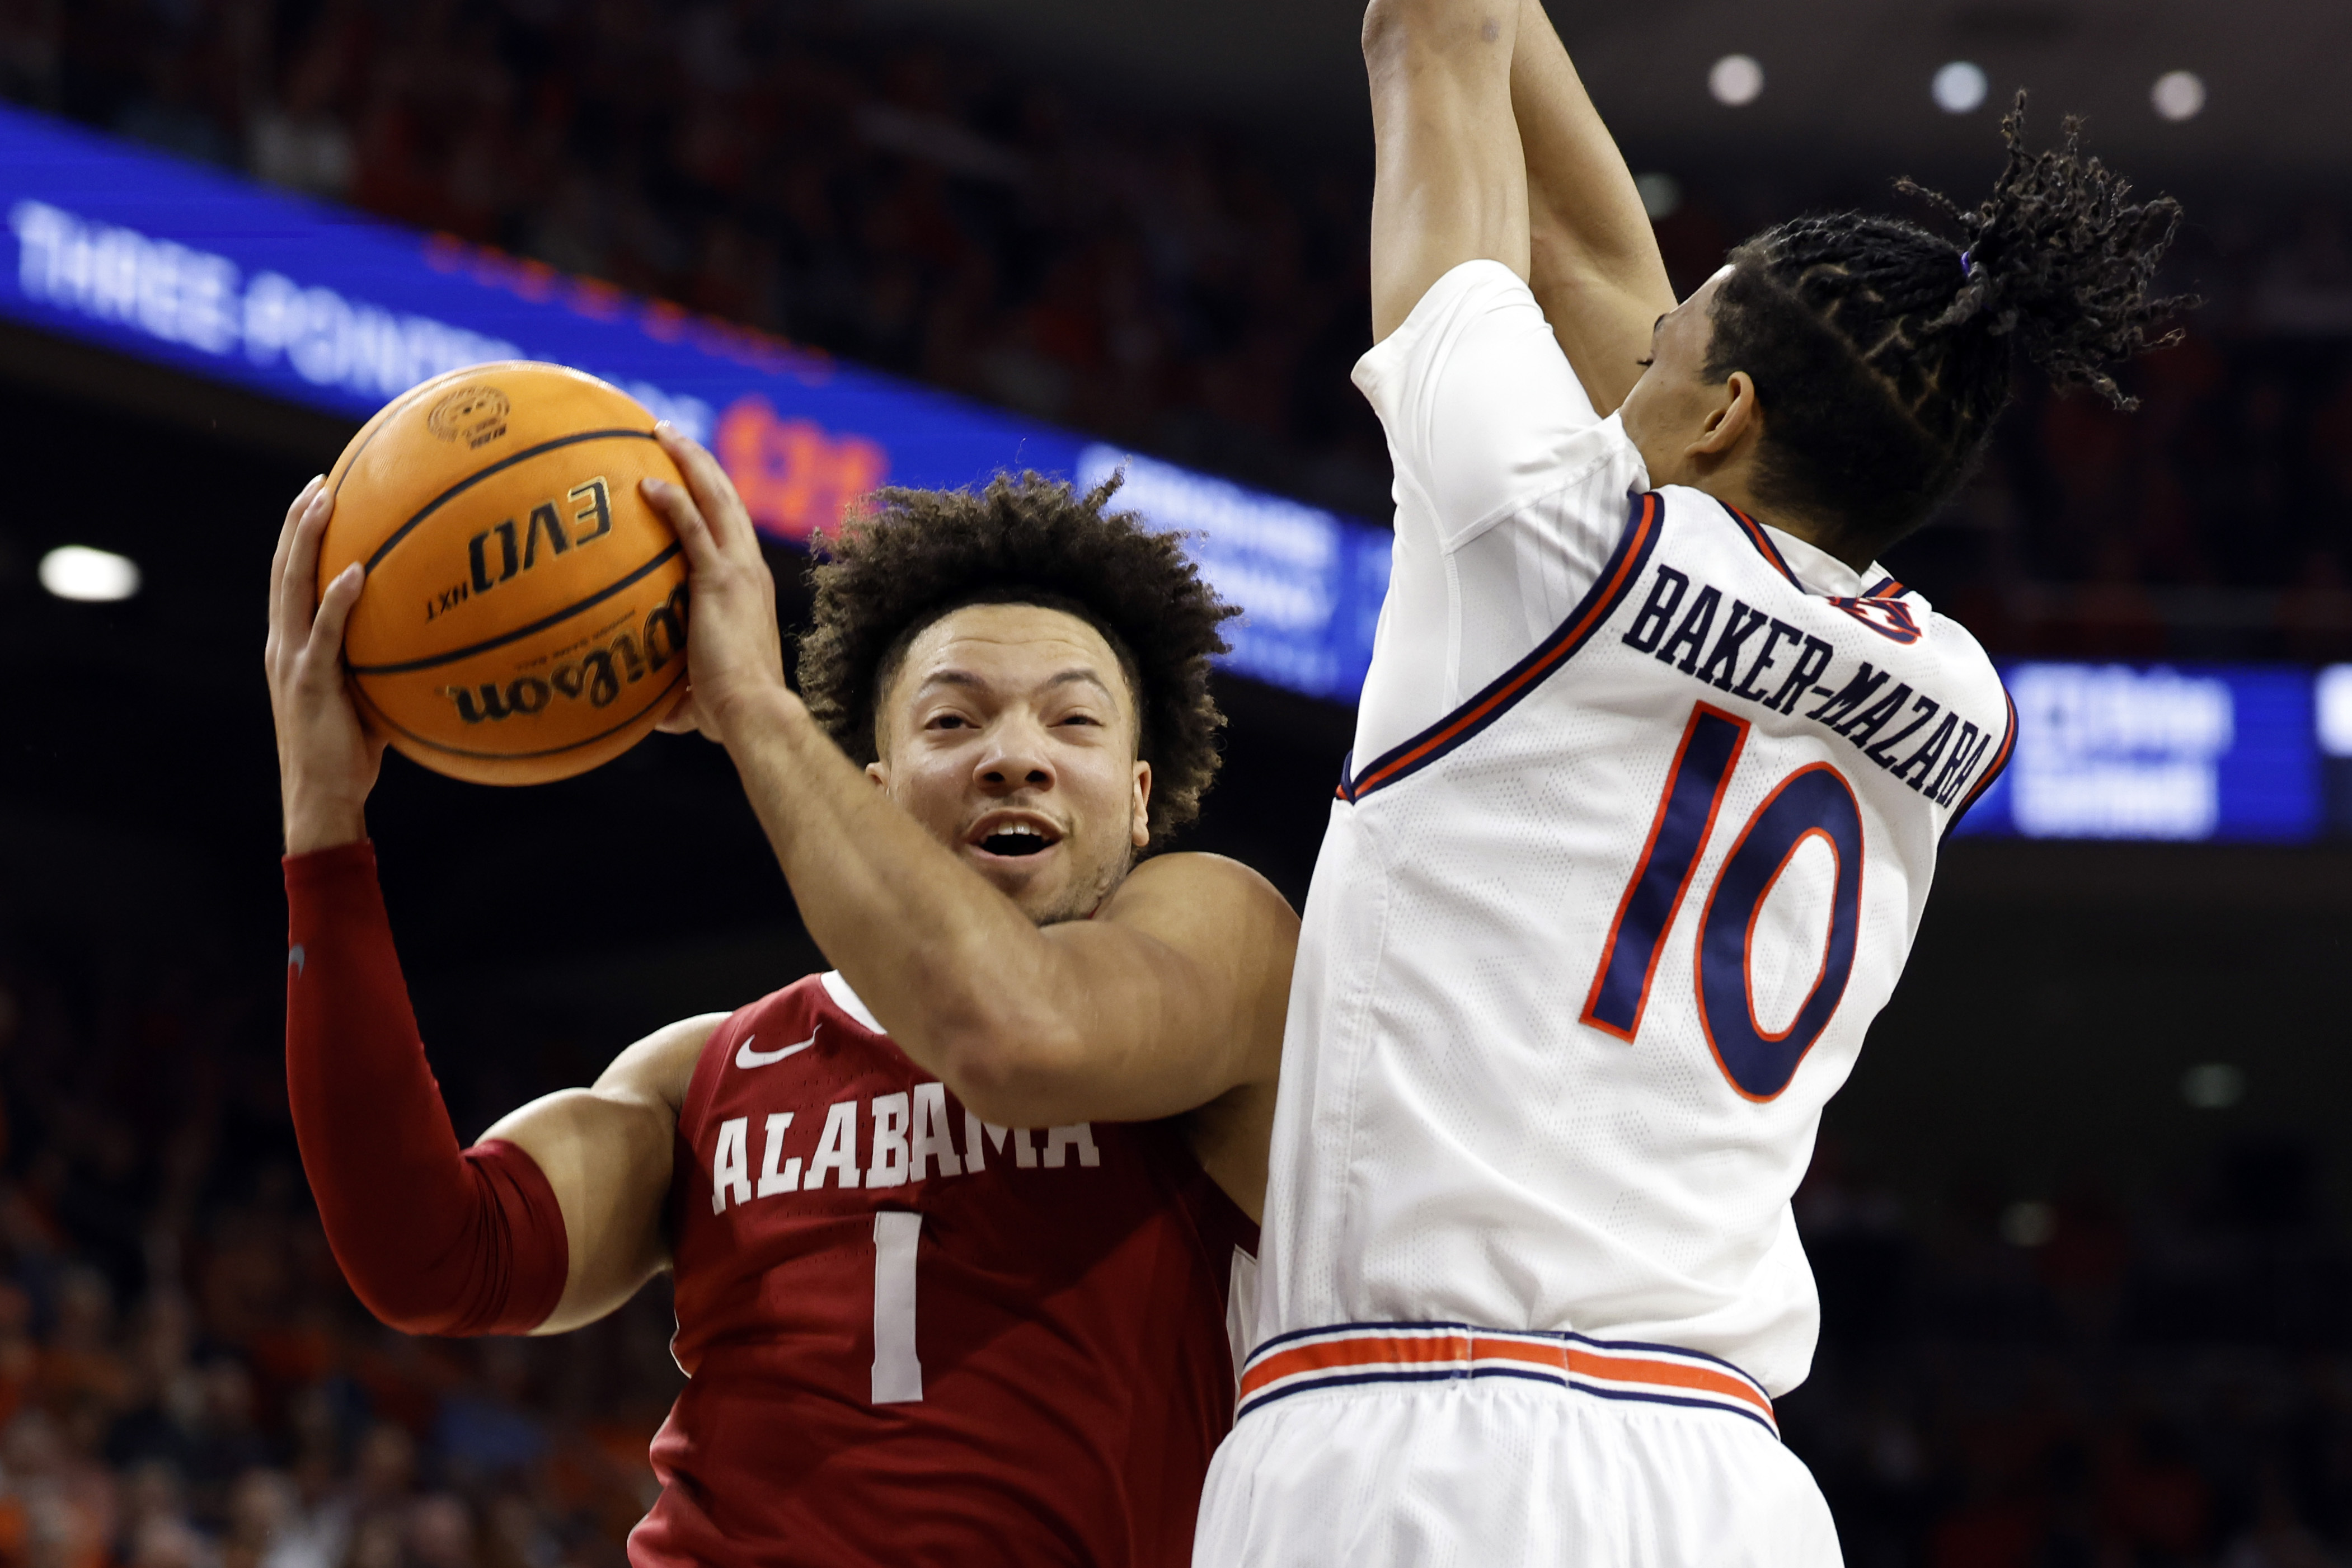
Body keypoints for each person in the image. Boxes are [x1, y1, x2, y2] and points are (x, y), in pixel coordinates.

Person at [1194, 2, 2186, 1564]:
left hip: (1426, 1432)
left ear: (1724, 413)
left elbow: (1425, 35)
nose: (1630, 359)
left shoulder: (1547, 536)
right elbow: (1598, 274)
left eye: (1665, 354)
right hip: (1725, 1477)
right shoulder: (1954, 695)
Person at [267, 445, 1299, 1566]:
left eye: (1074, 722)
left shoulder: (1222, 944)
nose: (1015, 758)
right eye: (952, 722)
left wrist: (753, 706)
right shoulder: (709, 1070)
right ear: (871, 791)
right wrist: (325, 823)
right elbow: (430, 1257)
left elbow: (1017, 1032)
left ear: (1142, 800)